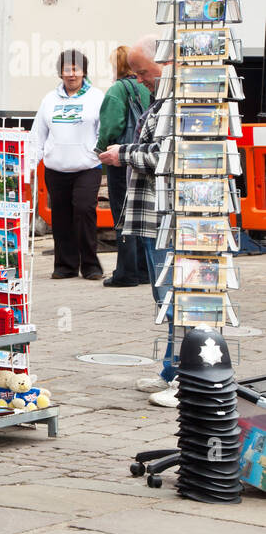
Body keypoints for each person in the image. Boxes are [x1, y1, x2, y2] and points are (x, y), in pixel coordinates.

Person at [98, 35, 178, 407]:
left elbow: (168, 155)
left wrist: (122, 153)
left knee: (175, 298)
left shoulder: (179, 102)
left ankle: (184, 377)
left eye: (144, 72)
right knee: (163, 298)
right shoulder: (161, 97)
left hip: (166, 216)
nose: (140, 79)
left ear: (165, 62)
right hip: (152, 216)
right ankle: (171, 371)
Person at [29, 49, 105, 279]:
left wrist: (98, 153)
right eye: (67, 69)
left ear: (84, 71)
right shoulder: (49, 100)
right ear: (60, 72)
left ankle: (91, 265)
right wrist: (32, 163)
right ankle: (65, 265)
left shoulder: (96, 97)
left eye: (76, 69)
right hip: (56, 168)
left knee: (83, 211)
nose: (71, 74)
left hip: (87, 167)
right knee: (60, 217)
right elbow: (38, 134)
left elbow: (104, 130)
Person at [97, 45, 152, 287]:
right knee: (144, 213)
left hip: (121, 158)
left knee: (122, 214)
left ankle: (126, 272)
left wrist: (99, 150)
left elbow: (110, 127)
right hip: (145, 157)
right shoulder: (148, 86)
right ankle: (143, 269)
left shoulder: (116, 91)